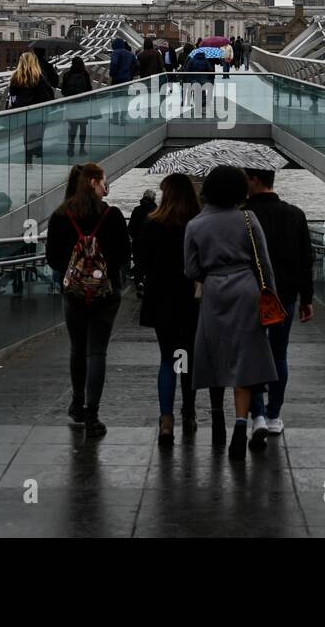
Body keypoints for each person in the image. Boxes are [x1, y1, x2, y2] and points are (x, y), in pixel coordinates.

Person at [184, 165, 279, 461]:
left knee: (216, 354)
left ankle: (216, 416)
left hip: (214, 291)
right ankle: (241, 424)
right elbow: (263, 261)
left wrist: (212, 274)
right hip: (247, 289)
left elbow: (190, 269)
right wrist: (271, 299)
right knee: (246, 357)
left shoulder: (195, 225)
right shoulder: (248, 218)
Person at [45, 163, 130, 436]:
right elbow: (123, 255)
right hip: (106, 293)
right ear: (93, 182)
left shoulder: (60, 216)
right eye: (104, 180)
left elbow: (53, 259)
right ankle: (93, 414)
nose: (106, 185)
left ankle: (76, 402)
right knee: (97, 351)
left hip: (74, 294)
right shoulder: (112, 215)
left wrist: (74, 273)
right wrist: (103, 272)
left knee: (77, 348)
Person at [243, 169, 314, 442]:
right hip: (284, 294)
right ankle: (274, 415)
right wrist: (306, 298)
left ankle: (257, 415)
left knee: (251, 354)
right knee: (279, 354)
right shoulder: (295, 214)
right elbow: (306, 260)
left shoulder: (244, 215)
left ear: (255, 180)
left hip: (249, 293)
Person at [139, 174, 202, 446]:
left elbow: (141, 264)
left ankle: (166, 420)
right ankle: (188, 412)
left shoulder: (152, 223)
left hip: (160, 300)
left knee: (167, 359)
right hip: (190, 300)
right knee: (186, 358)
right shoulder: (197, 224)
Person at [7, 51, 55, 165]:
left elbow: (12, 93)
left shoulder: (15, 76)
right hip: (37, 110)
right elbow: (48, 93)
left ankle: (28, 157)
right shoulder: (38, 76)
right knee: (37, 132)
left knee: (26, 133)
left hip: (22, 110)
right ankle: (37, 150)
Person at [59, 56, 94, 156]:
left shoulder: (67, 75)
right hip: (83, 105)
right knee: (83, 128)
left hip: (71, 105)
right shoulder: (85, 74)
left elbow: (64, 91)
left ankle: (71, 148)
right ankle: (82, 149)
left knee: (72, 128)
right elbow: (89, 90)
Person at [128, 189, 157, 295]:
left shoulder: (136, 210)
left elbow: (130, 228)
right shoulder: (157, 211)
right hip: (152, 244)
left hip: (138, 243)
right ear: (153, 199)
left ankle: (139, 282)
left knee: (138, 264)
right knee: (151, 265)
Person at [108, 38, 139, 124]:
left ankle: (115, 119)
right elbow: (137, 65)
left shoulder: (115, 53)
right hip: (126, 80)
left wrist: (112, 73)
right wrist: (131, 74)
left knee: (115, 100)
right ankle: (123, 118)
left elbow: (114, 64)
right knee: (125, 100)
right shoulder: (130, 54)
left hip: (116, 80)